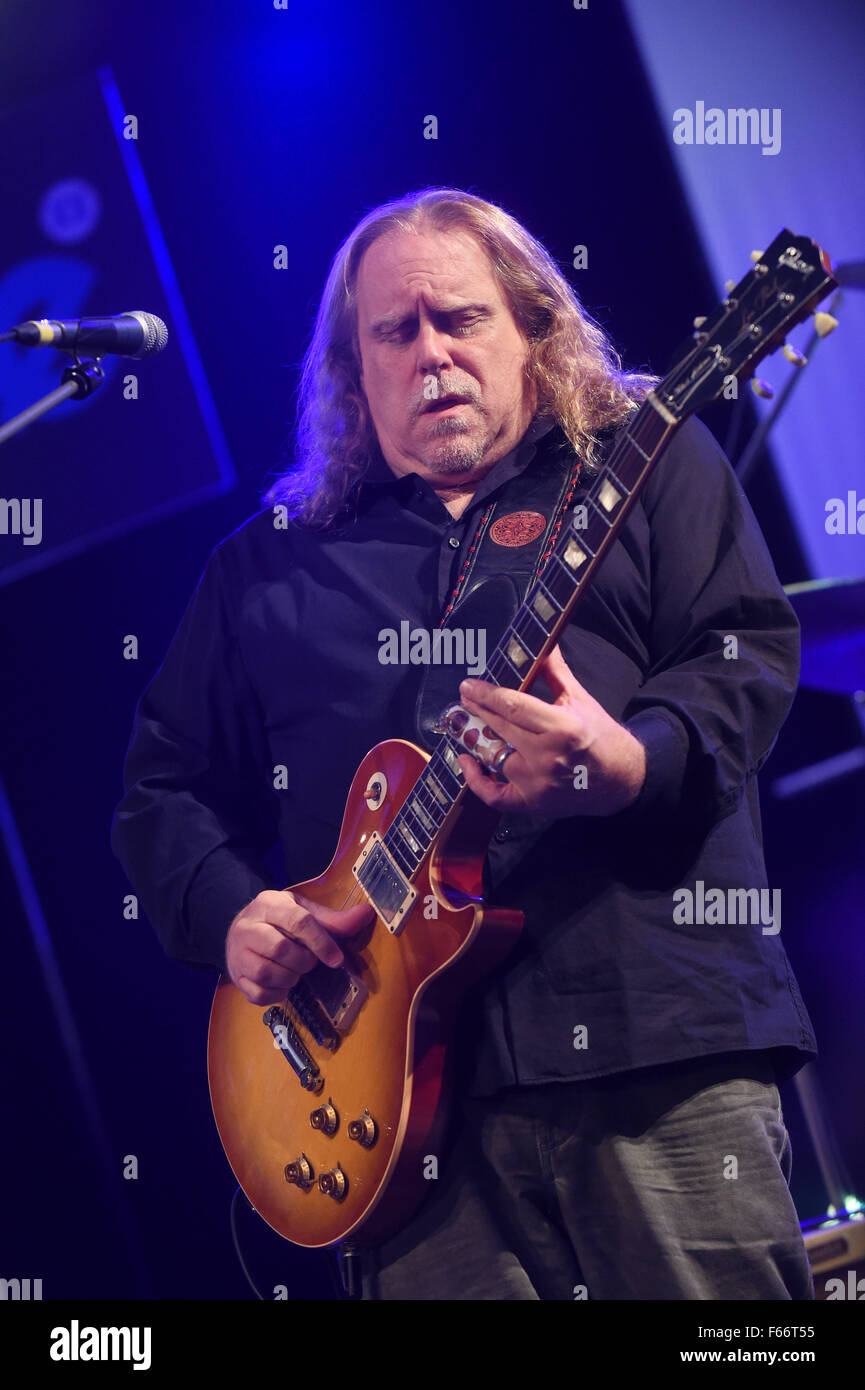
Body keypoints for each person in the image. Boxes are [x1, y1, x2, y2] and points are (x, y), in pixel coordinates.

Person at [112, 187, 817, 1300]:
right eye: (395, 332)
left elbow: (746, 655)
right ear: (355, 373)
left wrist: (628, 763)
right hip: (394, 1124)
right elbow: (162, 791)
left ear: (533, 328)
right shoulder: (269, 567)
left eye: (462, 318)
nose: (431, 352)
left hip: (657, 1051)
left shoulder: (646, 463)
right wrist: (226, 908)